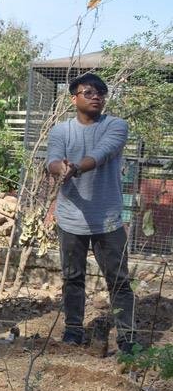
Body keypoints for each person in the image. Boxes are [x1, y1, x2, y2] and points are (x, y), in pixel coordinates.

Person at [46, 73, 135, 353]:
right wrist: (60, 168)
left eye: (100, 93)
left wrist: (77, 168)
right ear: (74, 98)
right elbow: (52, 160)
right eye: (88, 92)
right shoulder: (61, 131)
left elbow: (102, 153)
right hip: (71, 219)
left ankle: (127, 337)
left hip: (108, 220)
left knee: (119, 280)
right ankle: (73, 331)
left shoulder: (117, 126)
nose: (96, 96)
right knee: (73, 278)